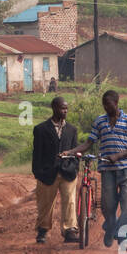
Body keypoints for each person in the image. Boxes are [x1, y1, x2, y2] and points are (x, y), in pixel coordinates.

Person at [63, 89, 127, 247]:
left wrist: (119, 156)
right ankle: (110, 227)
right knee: (108, 205)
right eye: (104, 105)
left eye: (108, 104)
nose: (106, 108)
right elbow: (88, 143)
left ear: (116, 103)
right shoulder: (100, 121)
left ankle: (123, 236)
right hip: (106, 169)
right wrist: (71, 152)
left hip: (126, 167)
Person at [31, 97, 80, 244]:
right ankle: (42, 230)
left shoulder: (72, 130)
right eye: (62, 108)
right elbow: (37, 153)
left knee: (70, 201)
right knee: (45, 203)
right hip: (47, 173)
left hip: (68, 172)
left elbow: (75, 150)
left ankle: (70, 230)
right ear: (54, 108)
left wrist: (74, 167)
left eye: (66, 108)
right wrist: (37, 172)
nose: (65, 111)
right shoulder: (40, 129)